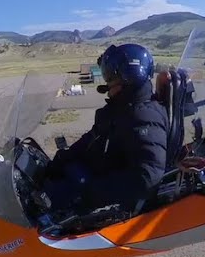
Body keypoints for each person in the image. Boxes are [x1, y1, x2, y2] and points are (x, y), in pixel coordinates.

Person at [42, 43, 169, 215]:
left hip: (99, 196)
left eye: (110, 78)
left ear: (129, 76)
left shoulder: (144, 117)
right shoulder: (121, 109)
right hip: (90, 176)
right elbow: (92, 138)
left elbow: (146, 178)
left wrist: (89, 192)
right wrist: (61, 160)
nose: (107, 83)